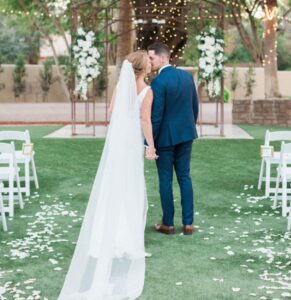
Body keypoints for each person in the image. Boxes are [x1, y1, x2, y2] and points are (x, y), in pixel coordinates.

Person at [58, 50, 156, 300]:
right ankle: (127, 239)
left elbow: (113, 110)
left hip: (117, 145)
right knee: (131, 187)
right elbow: (146, 120)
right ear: (144, 69)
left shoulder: (121, 88)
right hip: (133, 143)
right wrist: (151, 146)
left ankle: (107, 235)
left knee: (113, 185)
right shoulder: (147, 91)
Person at [148, 42, 199, 235]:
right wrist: (187, 128)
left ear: (163, 57)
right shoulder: (187, 77)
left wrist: (149, 142)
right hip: (186, 135)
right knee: (185, 177)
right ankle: (188, 224)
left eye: (151, 57)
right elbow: (195, 108)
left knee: (165, 180)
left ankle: (168, 224)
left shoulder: (158, 82)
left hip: (165, 139)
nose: (150, 61)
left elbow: (157, 116)